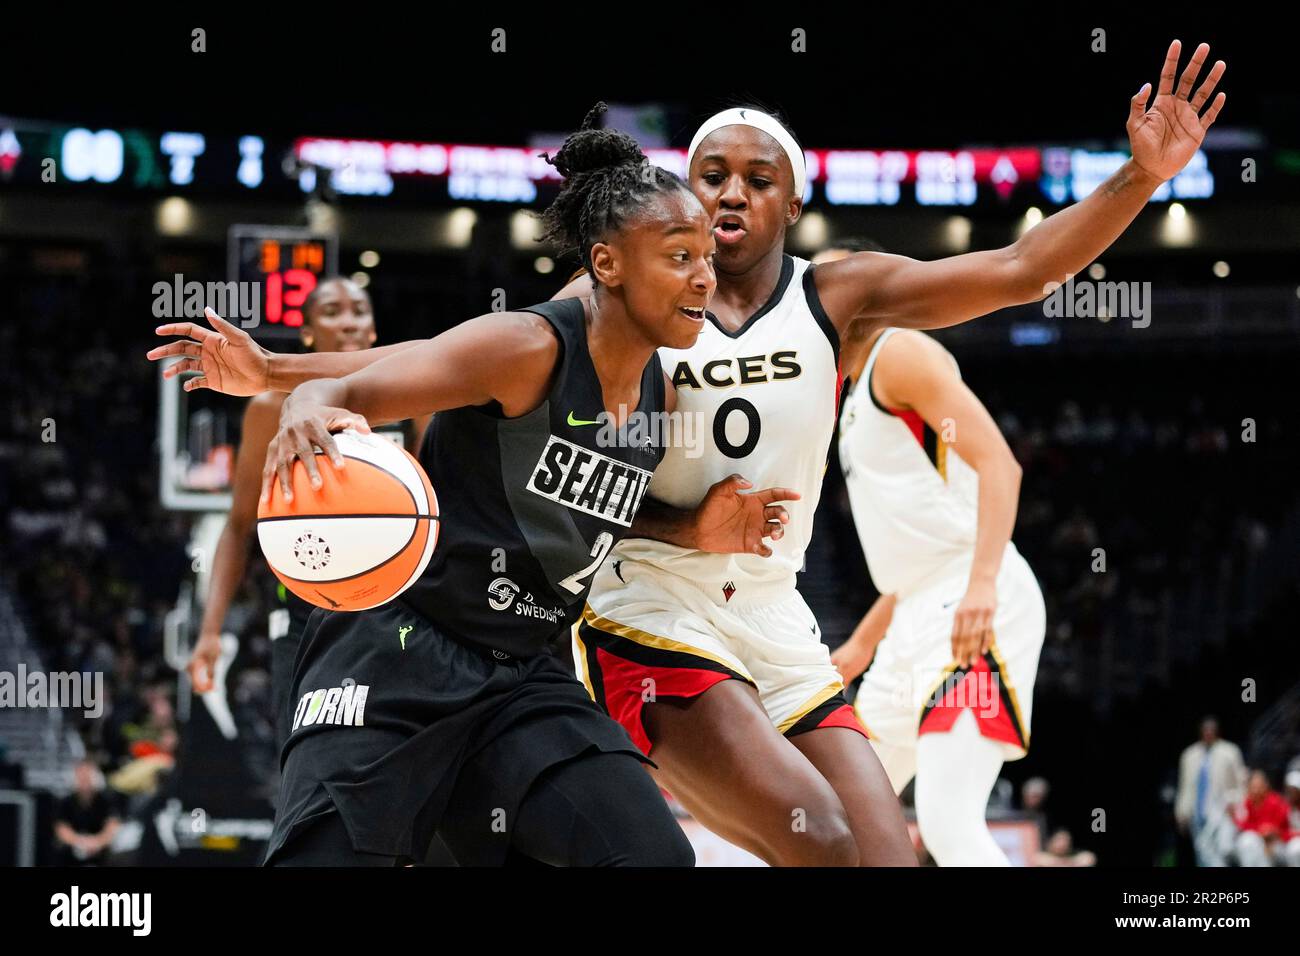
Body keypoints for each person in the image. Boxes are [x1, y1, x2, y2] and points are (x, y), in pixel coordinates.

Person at [157, 42, 1226, 865]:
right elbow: (447, 358)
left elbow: (1023, 265)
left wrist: (1138, 176)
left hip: (767, 609)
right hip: (635, 605)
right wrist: (295, 376)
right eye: (710, 171)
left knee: (883, 853)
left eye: (756, 178)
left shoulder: (831, 297)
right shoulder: (611, 303)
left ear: (792, 202)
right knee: (808, 833)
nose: (728, 193)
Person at [152, 105, 790, 866]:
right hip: (398, 652)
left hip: (523, 675)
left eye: (706, 259)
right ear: (608, 264)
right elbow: (373, 380)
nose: (705, 275)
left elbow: (593, 504)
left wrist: (693, 529)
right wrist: (297, 395)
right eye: (680, 255)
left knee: (649, 854)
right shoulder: (527, 347)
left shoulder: (662, 393)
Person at [824, 238, 1045, 866]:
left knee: (948, 823)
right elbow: (914, 560)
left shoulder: (901, 353)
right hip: (914, 611)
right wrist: (861, 647)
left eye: (836, 277)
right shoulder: (845, 391)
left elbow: (1001, 465)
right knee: (845, 821)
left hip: (975, 600)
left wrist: (982, 584)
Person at [177, 277, 428, 753]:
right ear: (309, 333)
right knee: (302, 757)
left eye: (359, 310)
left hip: (392, 603)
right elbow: (237, 526)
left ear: (374, 330)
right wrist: (209, 632)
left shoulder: (414, 401)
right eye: (332, 311)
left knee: (390, 754)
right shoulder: (270, 407)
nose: (349, 321)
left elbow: (432, 507)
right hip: (304, 610)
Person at [1174, 716, 1247, 866]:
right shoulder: (1189, 755)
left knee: (1225, 849)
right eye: (1205, 730)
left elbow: (1241, 782)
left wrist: (1240, 806)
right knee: (1203, 853)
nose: (1208, 733)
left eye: (1211, 730)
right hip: (1198, 811)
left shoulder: (1230, 751)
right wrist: (1181, 811)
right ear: (1200, 732)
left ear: (1217, 731)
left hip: (1224, 810)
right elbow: (1184, 785)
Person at [53, 759, 120, 866]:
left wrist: (97, 842)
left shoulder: (107, 800)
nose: (84, 781)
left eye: (88, 777)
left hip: (101, 852)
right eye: (81, 777)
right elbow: (61, 829)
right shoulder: (65, 802)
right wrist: (79, 842)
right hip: (72, 851)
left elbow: (112, 827)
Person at [1231, 769, 1290, 866]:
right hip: (1256, 841)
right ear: (1248, 788)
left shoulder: (1276, 801)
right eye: (1253, 787)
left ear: (1266, 786)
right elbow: (1241, 823)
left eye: (1259, 786)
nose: (1256, 790)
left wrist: (1271, 831)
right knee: (1247, 841)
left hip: (1277, 843)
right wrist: (1260, 830)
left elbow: (1281, 826)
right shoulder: (1246, 803)